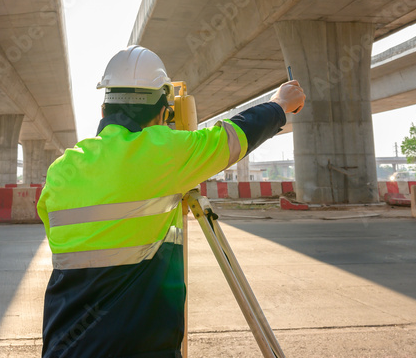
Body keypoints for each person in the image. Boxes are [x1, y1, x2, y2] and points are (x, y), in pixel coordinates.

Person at [37, 45, 306, 357]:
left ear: (103, 110)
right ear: (164, 112)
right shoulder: (165, 154)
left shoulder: (61, 170)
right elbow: (233, 136)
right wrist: (280, 105)